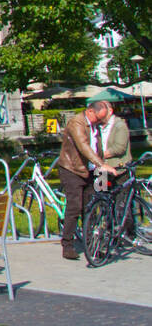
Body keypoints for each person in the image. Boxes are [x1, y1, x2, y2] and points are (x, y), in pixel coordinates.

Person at [58, 100, 119, 260]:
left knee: (91, 207)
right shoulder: (76, 123)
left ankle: (92, 245)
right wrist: (102, 165)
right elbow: (84, 147)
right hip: (72, 169)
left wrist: (102, 172)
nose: (100, 122)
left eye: (102, 120)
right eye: (99, 118)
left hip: (91, 171)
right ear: (90, 112)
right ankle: (67, 245)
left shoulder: (95, 125)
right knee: (75, 206)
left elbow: (98, 149)